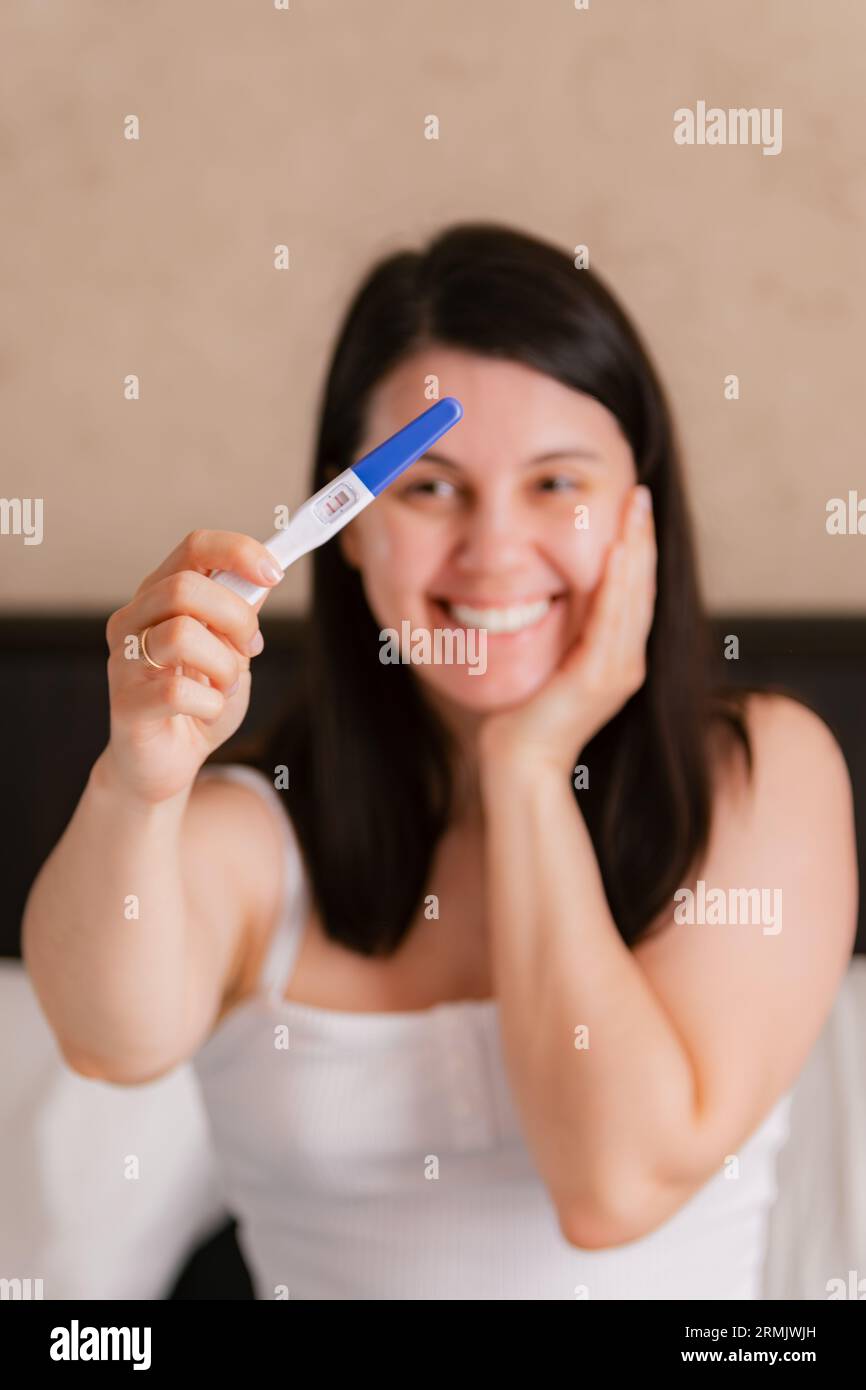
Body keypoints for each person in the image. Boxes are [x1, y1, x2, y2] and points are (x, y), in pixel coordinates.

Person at [23, 222, 858, 1300]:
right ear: (350, 526)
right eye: (426, 488)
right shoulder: (255, 830)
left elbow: (610, 1187)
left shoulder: (760, 775)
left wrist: (524, 772)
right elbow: (104, 1043)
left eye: (557, 484)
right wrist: (135, 780)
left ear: (639, 513)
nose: (493, 550)